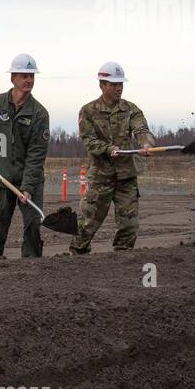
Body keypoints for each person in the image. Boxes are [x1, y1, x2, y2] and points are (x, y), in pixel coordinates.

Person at [69, 61, 154, 253]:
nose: (119, 88)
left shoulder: (131, 109)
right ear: (102, 85)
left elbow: (141, 129)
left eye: (121, 84)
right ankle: (77, 255)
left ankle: (122, 259)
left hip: (126, 176)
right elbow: (89, 141)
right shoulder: (89, 111)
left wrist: (145, 144)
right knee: (88, 222)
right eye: (114, 84)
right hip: (101, 176)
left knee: (129, 225)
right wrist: (108, 149)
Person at [0, 53, 50, 259]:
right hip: (0, 179)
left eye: (32, 75)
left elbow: (36, 155)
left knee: (33, 225)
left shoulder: (39, 114)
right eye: (24, 75)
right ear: (12, 78)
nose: (29, 80)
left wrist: (27, 187)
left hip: (30, 181)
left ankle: (32, 265)